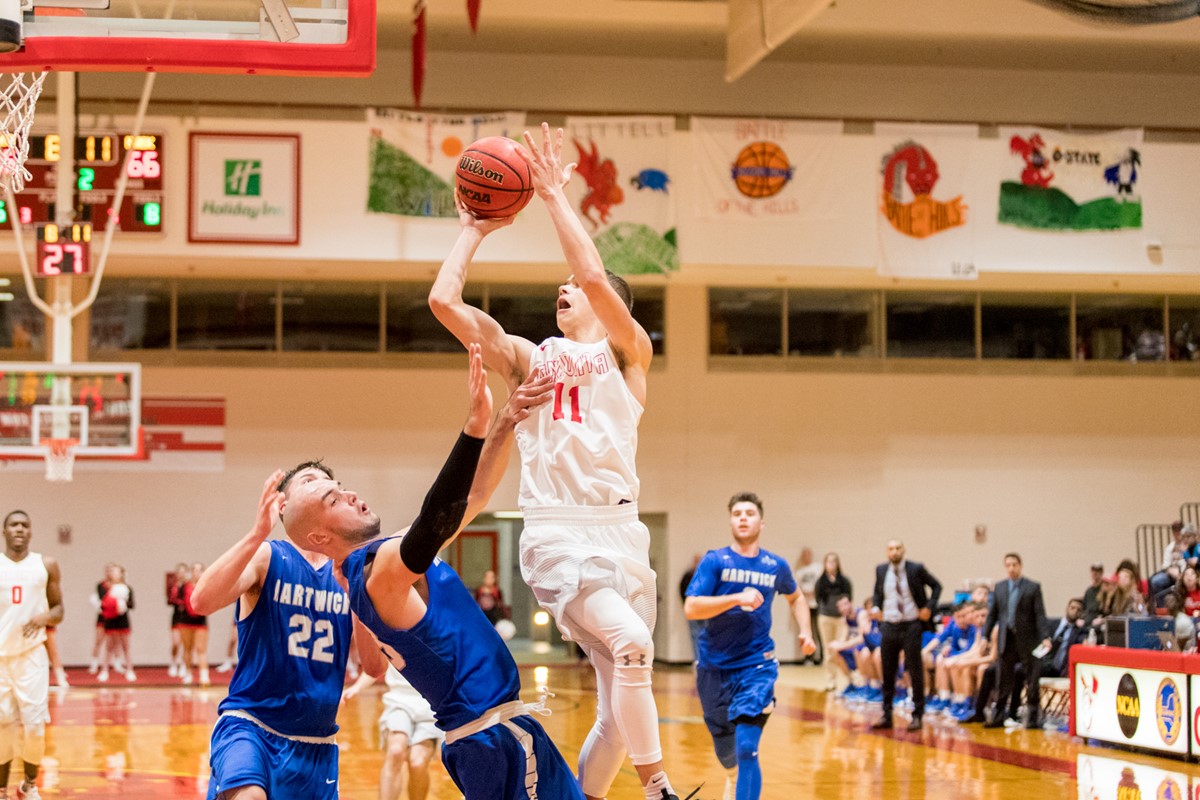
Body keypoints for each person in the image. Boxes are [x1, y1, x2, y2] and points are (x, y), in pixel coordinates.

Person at [429, 124, 684, 800]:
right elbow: (444, 303)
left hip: (622, 533)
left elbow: (595, 273)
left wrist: (550, 194)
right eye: (562, 284)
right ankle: (658, 787)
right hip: (557, 532)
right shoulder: (529, 357)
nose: (566, 287)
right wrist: (472, 232)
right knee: (632, 645)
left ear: (609, 306)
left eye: (575, 284)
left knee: (618, 716)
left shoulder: (628, 354)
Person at [280, 347, 584, 800]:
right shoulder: (374, 571)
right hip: (493, 737)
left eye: (340, 487)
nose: (351, 494)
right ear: (319, 537)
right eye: (333, 500)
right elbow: (437, 518)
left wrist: (503, 423)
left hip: (489, 735)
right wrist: (474, 427)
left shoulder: (378, 562)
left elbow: (472, 498)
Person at [190, 466, 386, 800]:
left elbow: (375, 666)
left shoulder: (352, 574)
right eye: (309, 480)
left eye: (330, 483)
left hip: (316, 743)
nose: (323, 484)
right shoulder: (269, 555)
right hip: (252, 724)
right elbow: (201, 601)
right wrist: (256, 534)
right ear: (285, 505)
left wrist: (357, 595)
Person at [684, 492, 814, 800]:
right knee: (726, 749)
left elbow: (797, 598)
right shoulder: (715, 561)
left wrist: (806, 632)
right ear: (730, 521)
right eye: (737, 513)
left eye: (750, 513)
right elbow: (692, 607)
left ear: (761, 522)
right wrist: (736, 598)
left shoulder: (775, 565)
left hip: (757, 664)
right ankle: (733, 777)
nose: (743, 518)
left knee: (746, 747)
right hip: (714, 666)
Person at [0, 510, 64, 800]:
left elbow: (59, 609)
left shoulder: (45, 564)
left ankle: (29, 784)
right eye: (13, 524)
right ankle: (2, 789)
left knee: (35, 726)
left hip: (32, 657)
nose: (19, 529)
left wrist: (44, 618)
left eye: (24, 525)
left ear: (31, 531)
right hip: (1, 658)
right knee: (2, 726)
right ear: (4, 531)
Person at [870, 539, 942, 732]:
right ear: (887, 552)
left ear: (903, 550)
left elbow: (937, 586)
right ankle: (886, 714)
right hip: (889, 625)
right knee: (887, 671)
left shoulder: (915, 569)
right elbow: (877, 593)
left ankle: (917, 715)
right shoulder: (881, 570)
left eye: (897, 548)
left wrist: (928, 608)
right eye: (891, 549)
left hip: (911, 625)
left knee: (915, 670)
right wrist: (876, 607)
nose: (894, 552)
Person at [343, 666, 444, 800]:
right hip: (398, 700)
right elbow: (378, 664)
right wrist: (356, 688)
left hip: (431, 704)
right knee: (396, 751)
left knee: (418, 762)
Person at [983, 553, 1050, 730]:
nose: (1011, 568)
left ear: (1020, 566)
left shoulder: (1032, 587)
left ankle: (1033, 719)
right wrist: (985, 636)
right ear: (1005, 567)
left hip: (1028, 640)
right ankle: (998, 716)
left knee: (1032, 680)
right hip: (1007, 639)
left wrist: (1045, 637)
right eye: (1008, 565)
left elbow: (1040, 614)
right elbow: (992, 615)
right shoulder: (999, 587)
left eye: (1014, 564)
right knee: (1003, 679)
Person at [813, 553, 851, 690]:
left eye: (834, 561)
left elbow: (849, 598)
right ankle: (831, 680)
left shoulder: (844, 581)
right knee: (828, 649)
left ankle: (849, 680)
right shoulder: (821, 582)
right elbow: (817, 599)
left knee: (841, 648)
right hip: (825, 617)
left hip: (840, 619)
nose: (831, 564)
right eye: (829, 562)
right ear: (825, 564)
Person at [98, 564, 136, 683]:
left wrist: (123, 603)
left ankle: (130, 669)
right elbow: (102, 603)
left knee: (125, 645)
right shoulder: (105, 587)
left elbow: (132, 604)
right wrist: (111, 603)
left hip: (122, 618)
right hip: (110, 618)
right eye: (112, 572)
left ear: (121, 574)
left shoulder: (127, 588)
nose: (114, 574)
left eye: (116, 572)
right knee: (109, 646)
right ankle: (105, 670)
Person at [178, 563, 210, 686]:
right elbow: (179, 603)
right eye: (195, 570)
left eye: (200, 570)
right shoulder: (184, 586)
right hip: (186, 621)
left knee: (201, 649)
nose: (197, 572)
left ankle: (204, 675)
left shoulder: (206, 585)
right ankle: (188, 673)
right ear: (191, 572)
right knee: (187, 648)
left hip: (200, 621)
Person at [791, 548, 822, 664]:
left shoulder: (818, 568)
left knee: (819, 631)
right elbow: (796, 589)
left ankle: (821, 657)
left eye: (808, 554)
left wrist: (815, 592)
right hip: (805, 605)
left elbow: (821, 584)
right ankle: (809, 657)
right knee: (807, 631)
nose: (807, 557)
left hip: (817, 604)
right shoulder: (799, 572)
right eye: (804, 555)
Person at [167, 562, 190, 678]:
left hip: (186, 617)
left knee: (185, 643)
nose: (181, 574)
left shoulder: (188, 585)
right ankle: (173, 662)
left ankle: (183, 665)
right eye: (179, 572)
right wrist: (178, 601)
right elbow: (169, 601)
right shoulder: (173, 586)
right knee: (176, 643)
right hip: (176, 617)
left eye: (183, 572)